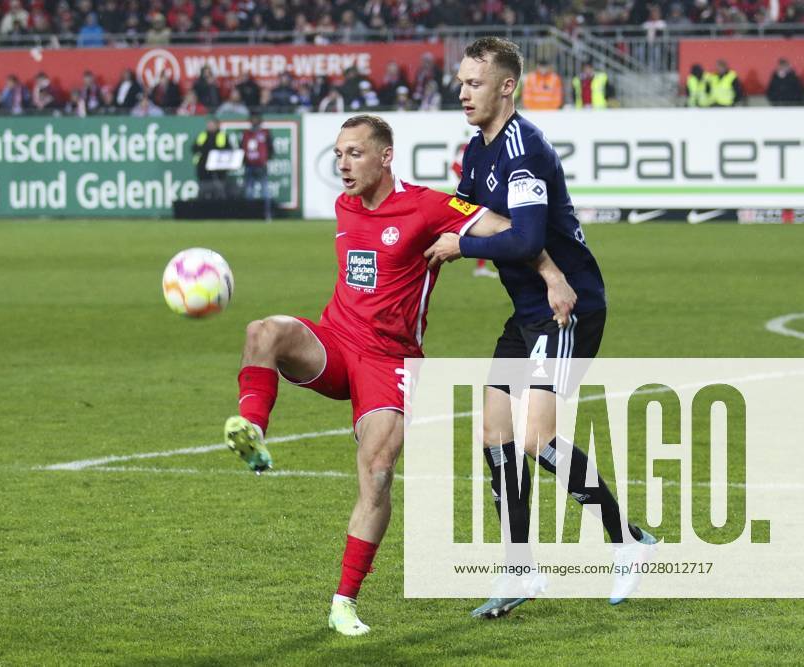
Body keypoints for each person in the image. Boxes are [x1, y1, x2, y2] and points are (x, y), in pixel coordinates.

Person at [223, 114, 575, 636]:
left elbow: (507, 230)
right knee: (262, 332)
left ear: (385, 156)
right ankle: (253, 430)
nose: (343, 165)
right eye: (339, 154)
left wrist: (552, 275)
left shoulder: (428, 205)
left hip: (391, 362)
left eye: (355, 154)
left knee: (379, 470)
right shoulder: (345, 206)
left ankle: (344, 601)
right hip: (336, 343)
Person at [424, 37, 657, 618]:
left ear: (506, 86)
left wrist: (463, 243)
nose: (461, 92)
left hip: (568, 308)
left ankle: (628, 540)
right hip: (528, 309)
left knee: (538, 439)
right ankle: (521, 569)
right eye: (460, 81)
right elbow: (462, 210)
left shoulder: (524, 148)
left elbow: (523, 238)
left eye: (474, 83)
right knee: (494, 432)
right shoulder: (478, 151)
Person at [241, 112, 274, 221]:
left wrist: (266, 160)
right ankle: (250, 215)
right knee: (249, 192)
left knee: (265, 192)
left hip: (261, 166)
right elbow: (242, 148)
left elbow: (270, 148)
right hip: (249, 165)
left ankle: (267, 214)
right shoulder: (246, 134)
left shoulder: (265, 133)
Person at [193, 117, 231, 199]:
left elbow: (228, 150)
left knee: (219, 191)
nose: (209, 126)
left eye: (212, 124)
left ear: (217, 125)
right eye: (208, 124)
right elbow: (194, 148)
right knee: (203, 190)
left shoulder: (222, 136)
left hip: (219, 170)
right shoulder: (202, 136)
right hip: (203, 168)